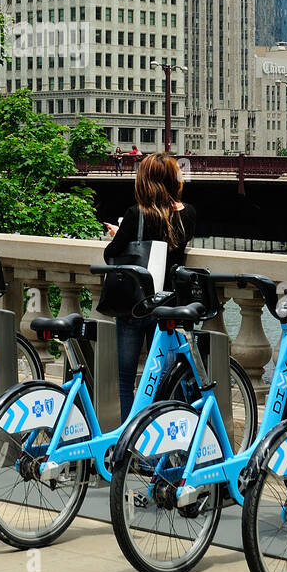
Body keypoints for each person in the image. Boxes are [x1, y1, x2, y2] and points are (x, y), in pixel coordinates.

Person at [103, 151, 197, 421]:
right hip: (168, 305)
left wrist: (117, 235)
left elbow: (111, 254)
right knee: (164, 380)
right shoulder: (188, 214)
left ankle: (129, 440)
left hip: (135, 303)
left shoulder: (135, 214)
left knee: (126, 378)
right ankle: (158, 442)